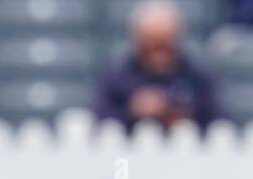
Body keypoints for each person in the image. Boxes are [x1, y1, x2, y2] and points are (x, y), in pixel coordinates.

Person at [94, 1, 220, 131]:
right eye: (151, 42)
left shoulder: (197, 77)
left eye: (165, 42)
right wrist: (132, 111)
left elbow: (218, 122)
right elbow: (98, 119)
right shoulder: (117, 78)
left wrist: (183, 115)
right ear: (137, 40)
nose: (158, 53)